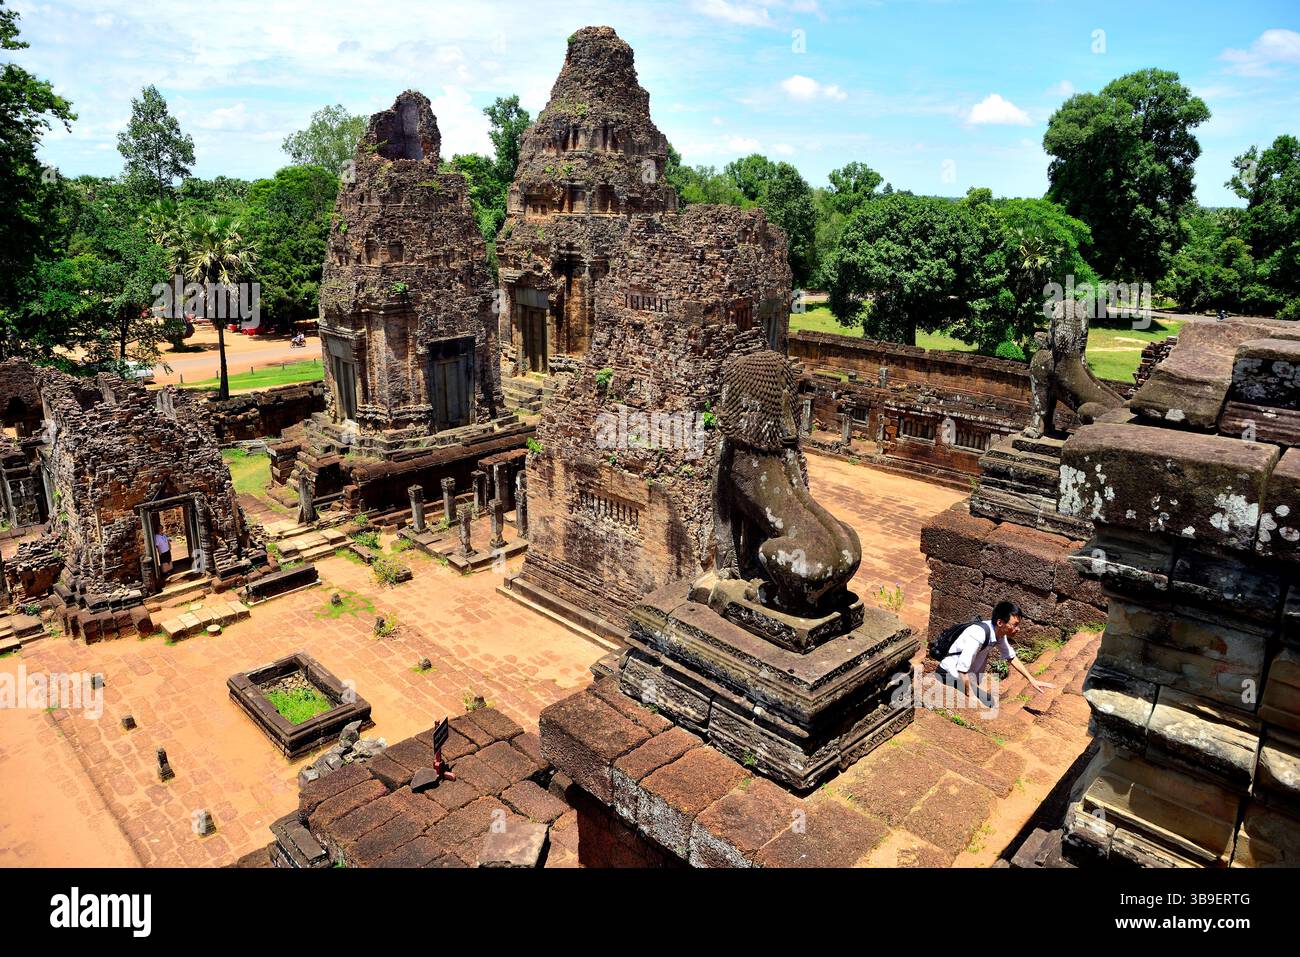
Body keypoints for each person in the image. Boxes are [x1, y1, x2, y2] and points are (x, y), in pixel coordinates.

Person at [938, 601, 1052, 708]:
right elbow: (962, 670)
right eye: (1015, 625)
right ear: (1000, 623)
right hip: (949, 675)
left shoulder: (999, 634)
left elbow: (1011, 657)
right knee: (985, 707)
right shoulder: (979, 634)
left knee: (990, 703)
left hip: (965, 678)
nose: (1018, 629)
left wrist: (1032, 680)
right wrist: (971, 696)